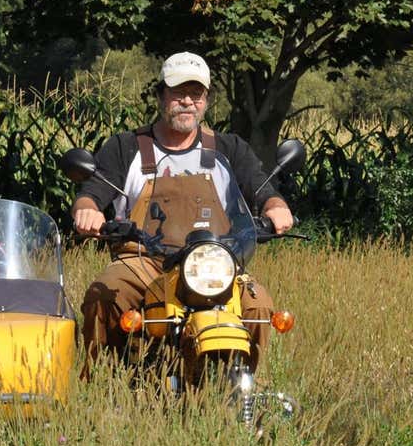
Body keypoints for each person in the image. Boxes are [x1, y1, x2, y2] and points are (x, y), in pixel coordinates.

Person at [72, 51, 294, 375]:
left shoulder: (228, 148)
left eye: (197, 94)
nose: (187, 102)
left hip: (214, 261)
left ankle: (246, 392)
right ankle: (102, 383)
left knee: (258, 306)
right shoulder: (126, 147)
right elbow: (90, 195)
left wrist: (278, 210)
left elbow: (265, 193)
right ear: (161, 95)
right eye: (178, 92)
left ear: (205, 100)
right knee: (103, 296)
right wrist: (87, 212)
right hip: (143, 261)